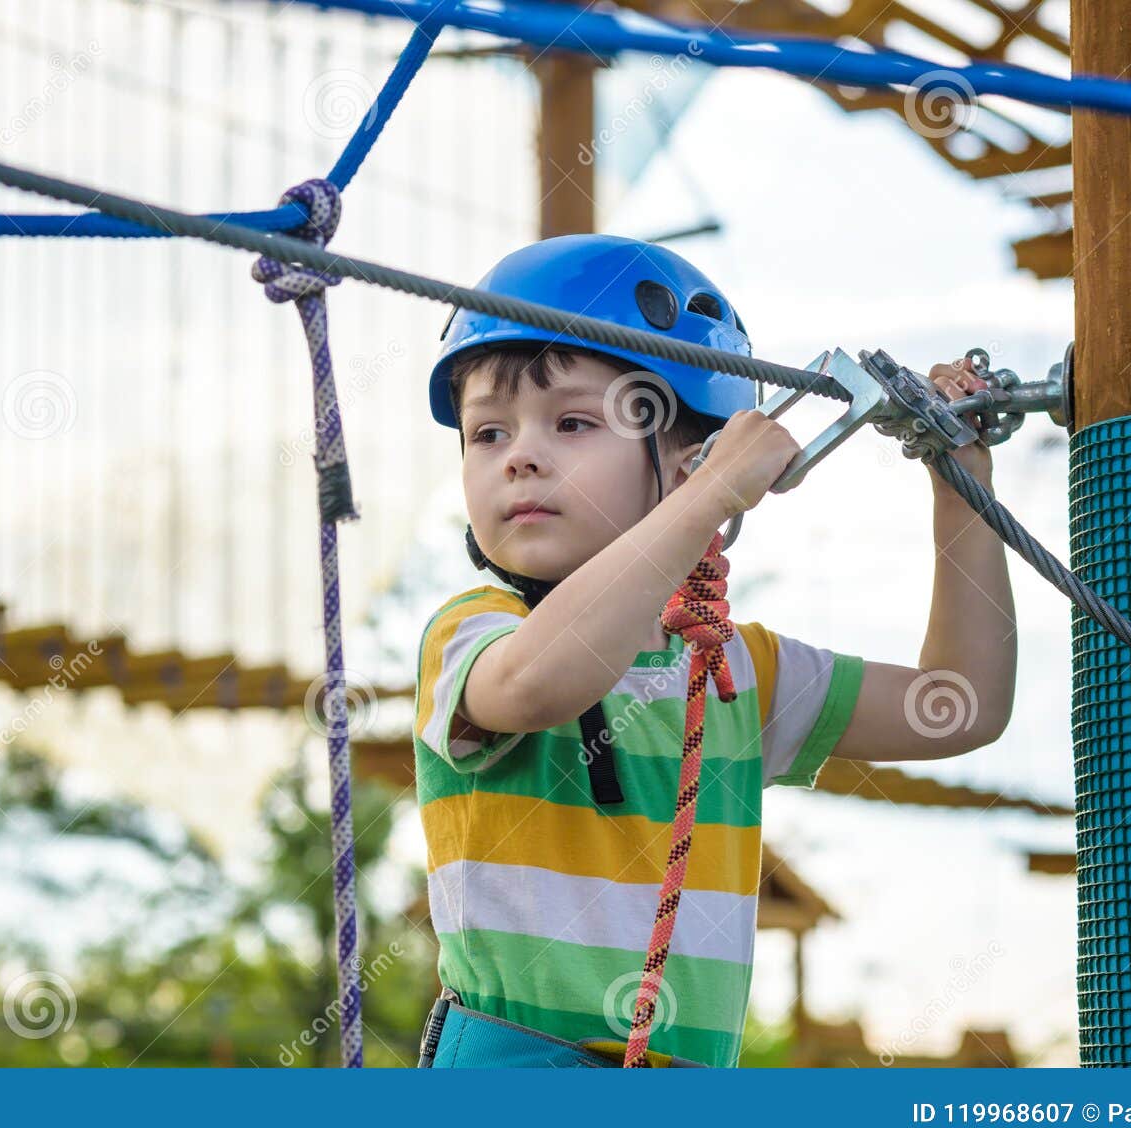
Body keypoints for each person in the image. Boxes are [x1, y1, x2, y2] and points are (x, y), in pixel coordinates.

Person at [411, 234, 1017, 1068]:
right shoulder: (474, 633)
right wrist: (707, 498)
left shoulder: (732, 670)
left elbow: (959, 705)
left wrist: (961, 488)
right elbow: (536, 683)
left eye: (574, 422)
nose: (518, 455)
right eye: (486, 434)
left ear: (693, 454)